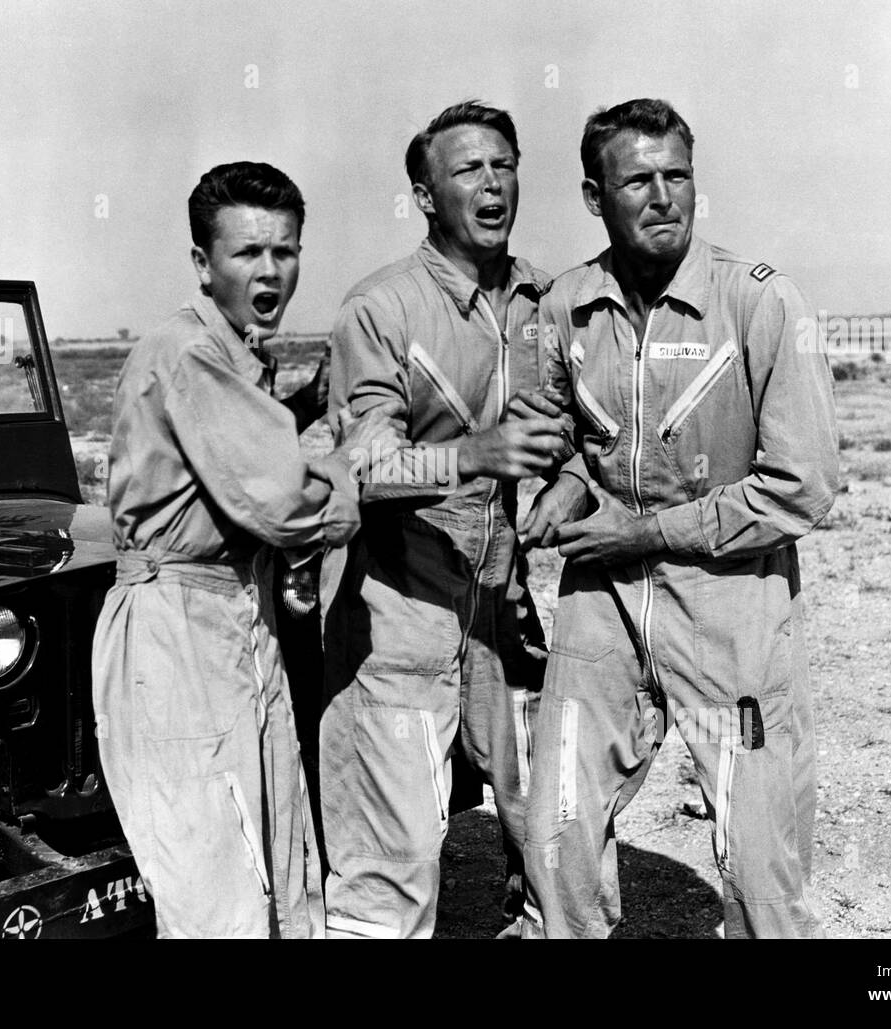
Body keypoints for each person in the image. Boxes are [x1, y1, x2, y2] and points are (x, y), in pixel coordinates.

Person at [519, 99, 839, 938]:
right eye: (638, 180)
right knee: (558, 830)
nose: (663, 197)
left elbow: (801, 488)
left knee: (760, 862)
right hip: (604, 599)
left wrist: (652, 531)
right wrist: (558, 481)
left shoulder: (762, 304)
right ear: (596, 197)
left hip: (730, 600)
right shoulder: (564, 307)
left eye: (678, 176)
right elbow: (549, 432)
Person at [91, 161, 397, 939]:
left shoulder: (235, 354)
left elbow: (256, 498)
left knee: (275, 861)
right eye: (247, 253)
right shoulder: (189, 353)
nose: (270, 271)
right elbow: (287, 502)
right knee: (214, 888)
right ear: (203, 264)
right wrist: (346, 465)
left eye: (285, 251)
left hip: (234, 616)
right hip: (177, 633)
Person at [319, 101, 570, 939]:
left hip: (501, 608)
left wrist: (564, 486)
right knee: (393, 864)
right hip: (398, 615)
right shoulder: (380, 310)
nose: (492, 183)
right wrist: (475, 454)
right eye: (468, 170)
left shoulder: (541, 300)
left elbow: (576, 427)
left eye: (504, 164)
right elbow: (359, 467)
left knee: (553, 819)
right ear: (425, 195)